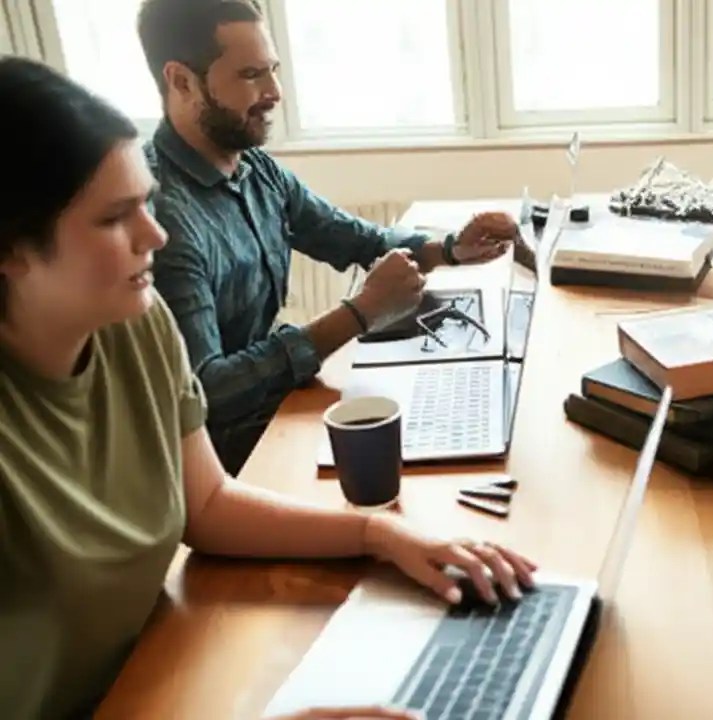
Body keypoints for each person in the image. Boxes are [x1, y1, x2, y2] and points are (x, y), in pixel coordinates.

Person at [0, 57, 534, 720]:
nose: (156, 235)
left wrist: (382, 537)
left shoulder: (135, 326)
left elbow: (210, 504)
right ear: (11, 249)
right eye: (115, 219)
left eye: (147, 203)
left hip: (161, 677)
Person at [136, 0, 520, 474]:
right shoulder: (161, 221)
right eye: (251, 74)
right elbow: (206, 393)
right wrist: (359, 313)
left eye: (273, 70)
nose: (274, 92)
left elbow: (353, 238)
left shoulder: (254, 169)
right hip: (225, 462)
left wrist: (449, 249)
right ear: (181, 81)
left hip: (274, 413)